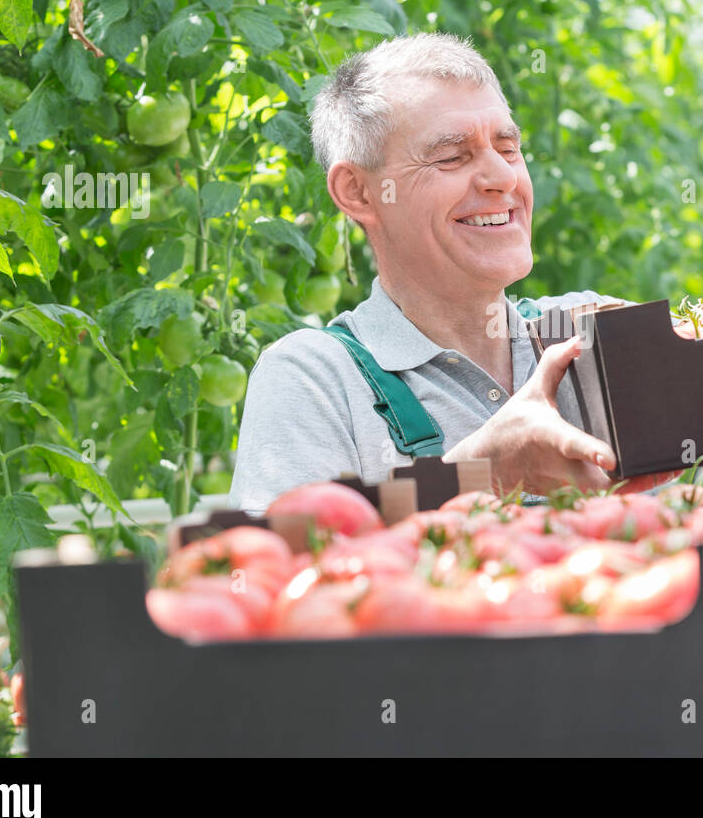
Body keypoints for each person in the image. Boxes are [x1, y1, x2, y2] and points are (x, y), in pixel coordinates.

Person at [227, 33, 668, 515]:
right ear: (358, 192)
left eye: (508, 148)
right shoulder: (316, 379)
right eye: (452, 157)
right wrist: (484, 472)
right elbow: (289, 571)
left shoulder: (586, 328)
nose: (502, 178)